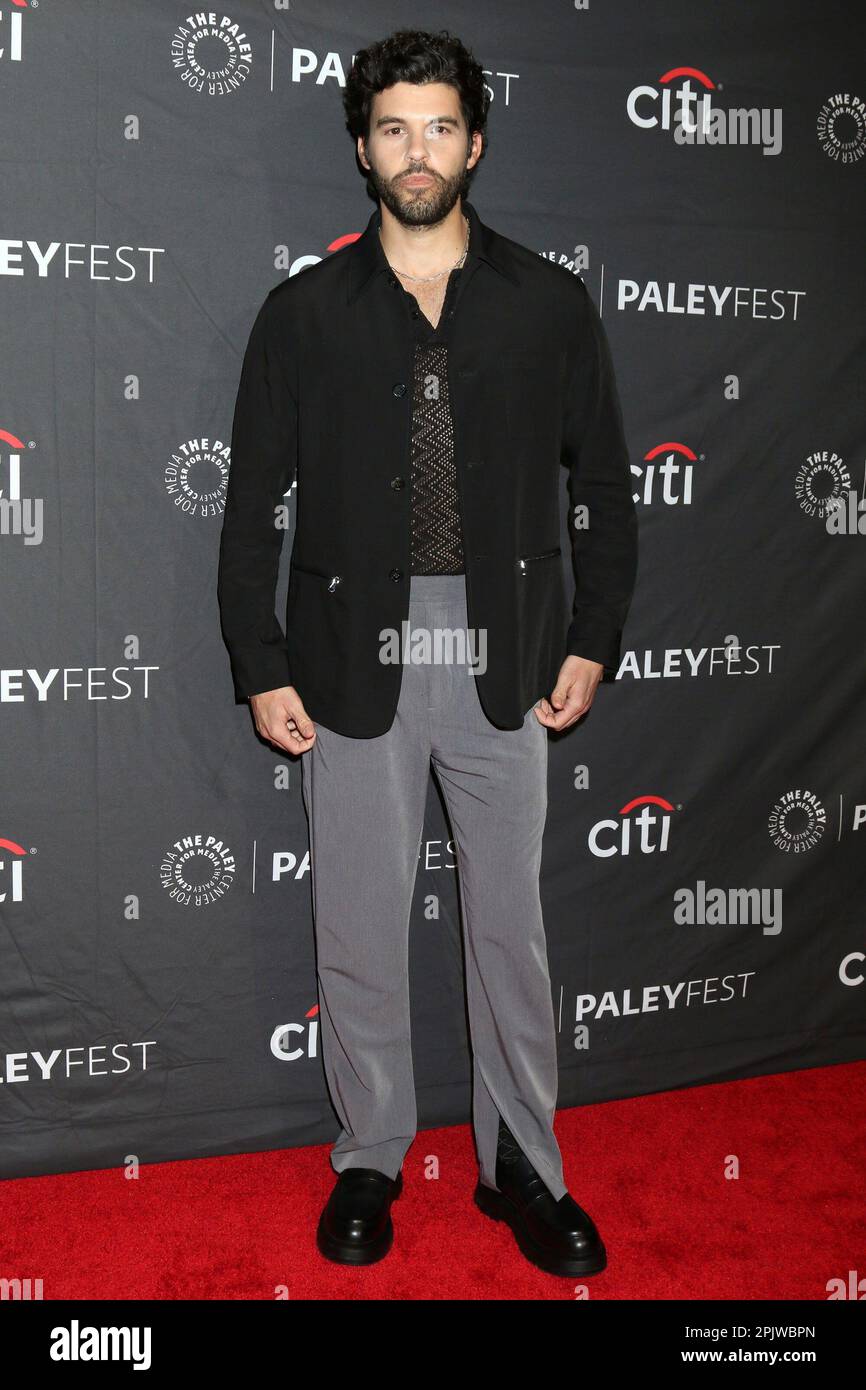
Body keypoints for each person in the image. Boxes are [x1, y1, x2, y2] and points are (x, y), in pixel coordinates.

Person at [217, 27, 638, 1279]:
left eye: (439, 126)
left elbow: (602, 488)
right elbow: (252, 508)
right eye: (393, 128)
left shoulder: (548, 303)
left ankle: (521, 1166)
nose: (417, 150)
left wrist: (594, 635)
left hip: (508, 649)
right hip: (350, 655)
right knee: (356, 923)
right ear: (361, 147)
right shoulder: (302, 313)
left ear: (475, 142)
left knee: (509, 930)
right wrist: (260, 658)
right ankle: (369, 1155)